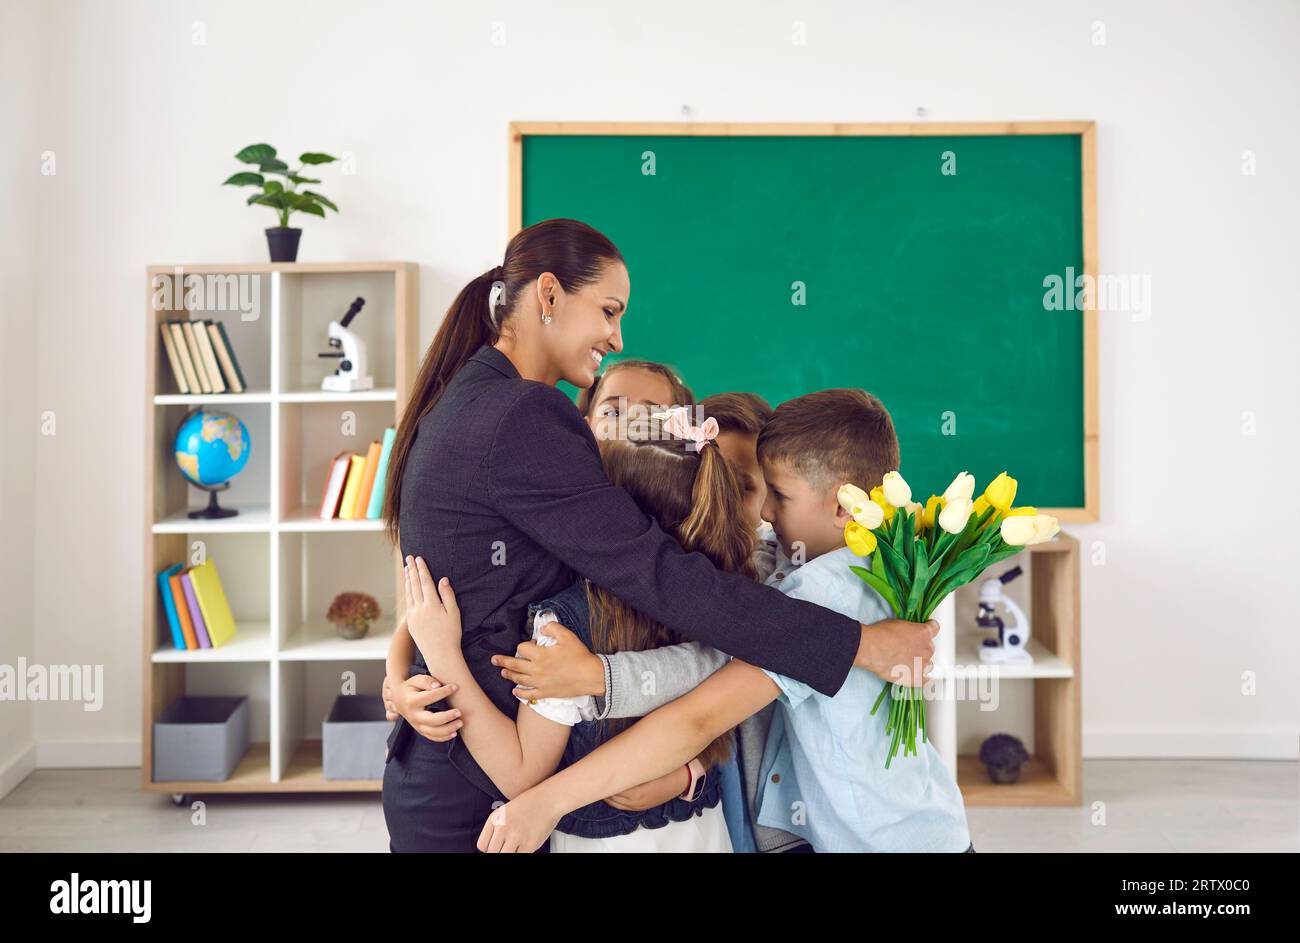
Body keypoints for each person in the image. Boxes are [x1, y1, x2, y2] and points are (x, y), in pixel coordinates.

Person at [379, 217, 937, 852]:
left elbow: (451, 582)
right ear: (550, 295)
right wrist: (858, 645)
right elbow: (660, 578)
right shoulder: (526, 413)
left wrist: (402, 670)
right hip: (475, 780)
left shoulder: (471, 398)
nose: (616, 337)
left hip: (460, 762)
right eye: (609, 311)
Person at [474, 389, 969, 853]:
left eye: (778, 494)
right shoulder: (882, 558)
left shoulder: (818, 593)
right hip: (918, 821)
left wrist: (547, 800)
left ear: (843, 507)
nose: (766, 513)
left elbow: (700, 715)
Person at [401, 411, 751, 851]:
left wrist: (442, 654)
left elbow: (521, 775)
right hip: (703, 832)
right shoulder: (735, 598)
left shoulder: (563, 633)